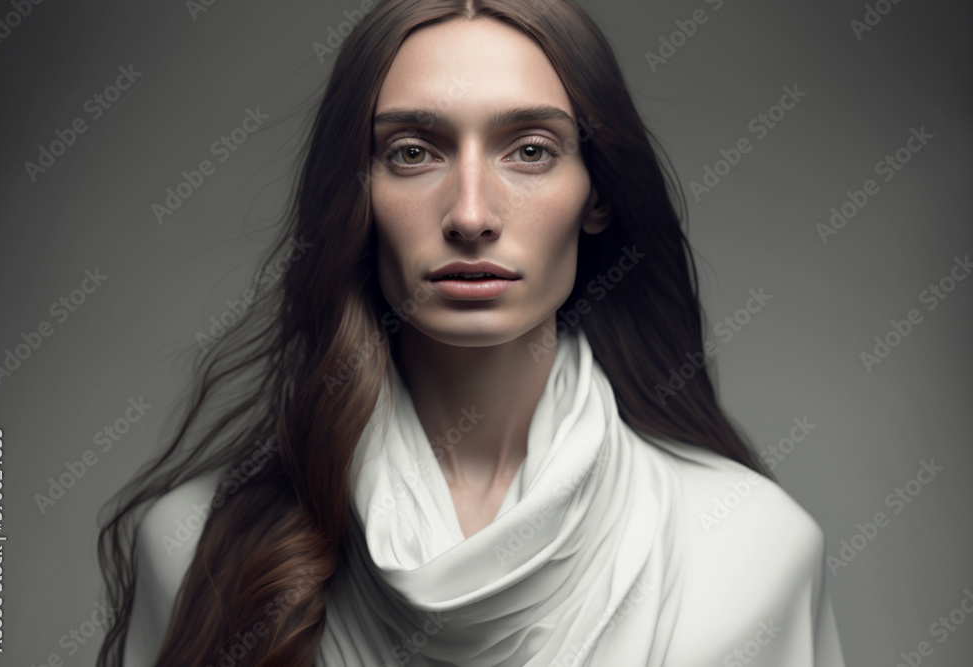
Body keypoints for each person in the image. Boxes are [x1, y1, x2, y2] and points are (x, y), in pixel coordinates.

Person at [97, 1, 845, 665]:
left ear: (600, 195)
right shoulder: (196, 544)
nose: (471, 213)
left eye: (530, 150)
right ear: (355, 197)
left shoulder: (754, 548)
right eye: (413, 152)